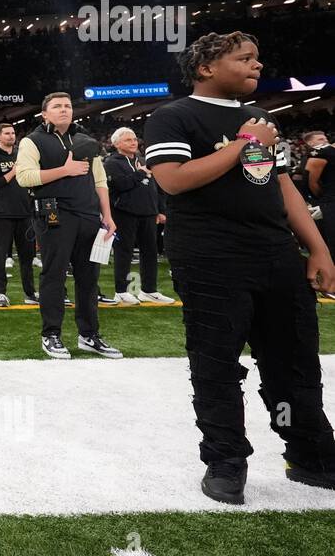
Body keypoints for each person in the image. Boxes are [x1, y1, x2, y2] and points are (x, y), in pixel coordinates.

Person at [145, 31, 335, 502]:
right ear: (206, 67)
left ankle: (307, 452)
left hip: (274, 254)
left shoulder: (259, 117)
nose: (256, 65)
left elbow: (281, 186)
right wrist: (244, 142)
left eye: (257, 57)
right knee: (217, 365)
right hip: (210, 256)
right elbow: (173, 180)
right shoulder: (173, 116)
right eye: (244, 58)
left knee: (292, 362)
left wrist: (317, 247)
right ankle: (226, 460)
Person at [15, 92, 123, 360]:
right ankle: (50, 334)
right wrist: (65, 170)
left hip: (88, 215)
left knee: (89, 278)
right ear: (44, 113)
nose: (64, 110)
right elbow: (24, 178)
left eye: (68, 106)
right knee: (54, 275)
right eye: (57, 106)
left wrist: (107, 215)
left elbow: (100, 180)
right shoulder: (32, 141)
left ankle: (89, 334)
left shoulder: (86, 140)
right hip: (54, 215)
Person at [103, 127, 173, 305]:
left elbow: (156, 188)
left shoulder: (143, 160)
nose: (133, 142)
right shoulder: (112, 163)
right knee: (124, 252)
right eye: (128, 140)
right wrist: (141, 173)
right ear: (116, 144)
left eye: (134, 139)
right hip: (124, 214)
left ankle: (149, 290)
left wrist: (160, 209)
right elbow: (120, 185)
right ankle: (121, 291)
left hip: (149, 213)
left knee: (150, 252)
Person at [0, 123, 37, 306]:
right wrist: (13, 172)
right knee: (0, 254)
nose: (11, 136)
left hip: (24, 211)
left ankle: (30, 293)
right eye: (7, 133)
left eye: (13, 133)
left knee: (27, 256)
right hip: (1, 213)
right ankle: (0, 293)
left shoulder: (22, 153)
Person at [303, 131, 335, 278]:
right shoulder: (322, 152)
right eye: (321, 138)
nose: (325, 140)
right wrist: (325, 201)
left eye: (325, 137)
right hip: (329, 203)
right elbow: (312, 181)